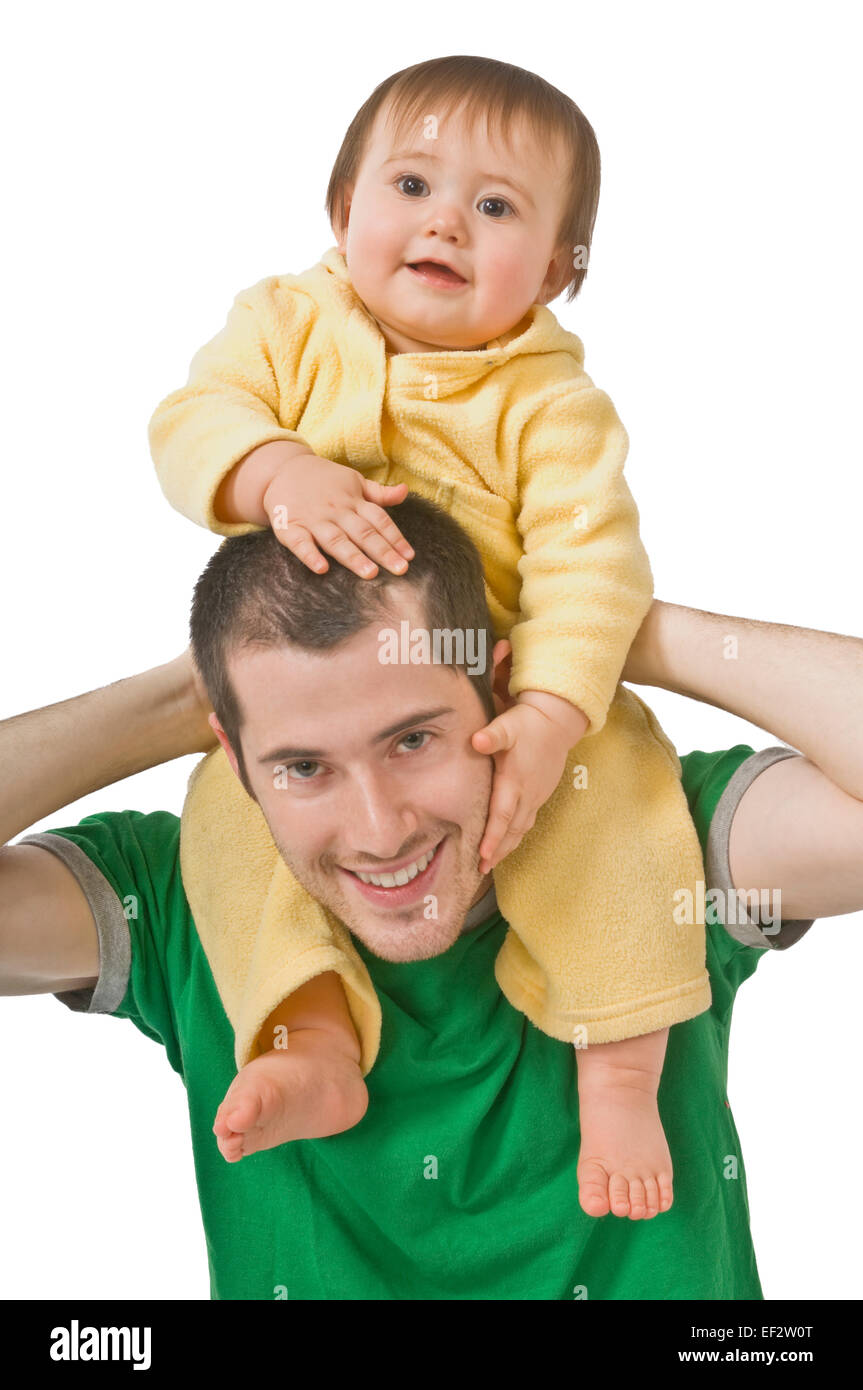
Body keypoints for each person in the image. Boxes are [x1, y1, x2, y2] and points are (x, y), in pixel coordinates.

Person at [2, 494, 862, 1300]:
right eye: (302, 767)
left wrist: (592, 625)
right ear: (234, 758)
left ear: (496, 690)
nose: (379, 831)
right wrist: (176, 700)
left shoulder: (648, 837)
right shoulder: (180, 892)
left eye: (412, 740)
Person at [147, 52, 709, 1218]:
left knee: (619, 812)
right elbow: (191, 418)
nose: (445, 220)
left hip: (485, 695)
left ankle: (615, 1068)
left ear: (556, 270)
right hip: (309, 686)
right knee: (227, 814)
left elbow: (587, 560)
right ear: (342, 210)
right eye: (409, 186)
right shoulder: (285, 322)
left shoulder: (551, 403)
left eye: (495, 207)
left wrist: (553, 713)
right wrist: (275, 469)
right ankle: (306, 1035)